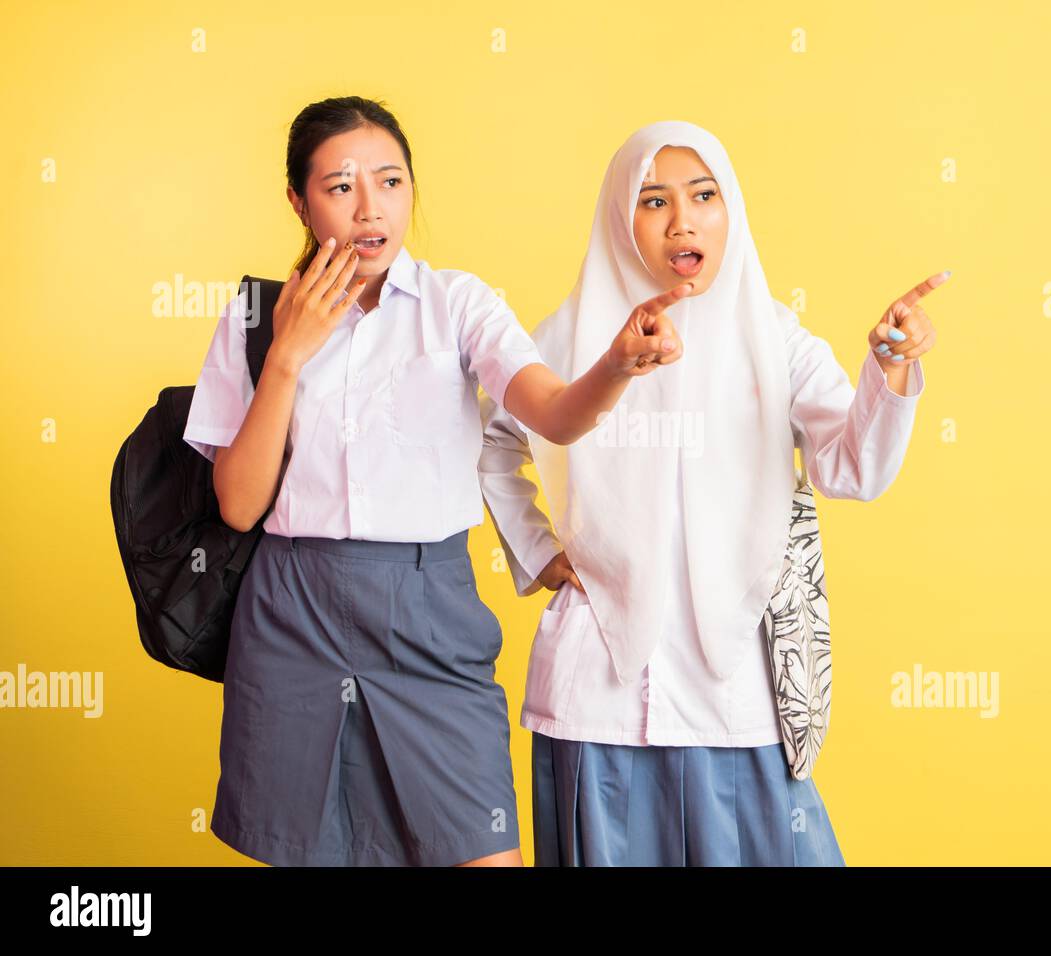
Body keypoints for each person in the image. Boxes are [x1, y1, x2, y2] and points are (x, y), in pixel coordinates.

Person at [181, 97, 684, 867]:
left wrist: (615, 366)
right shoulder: (255, 314)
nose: (370, 208)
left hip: (427, 605)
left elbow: (550, 413)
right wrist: (287, 355)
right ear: (298, 200)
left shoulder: (457, 305)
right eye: (340, 187)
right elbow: (240, 503)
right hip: (292, 612)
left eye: (390, 181)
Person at [478, 120, 944, 865]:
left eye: (703, 195)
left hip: (740, 691)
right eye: (652, 200)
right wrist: (538, 552)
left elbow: (852, 468)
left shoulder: (777, 341)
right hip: (597, 695)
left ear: (732, 210)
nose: (682, 220)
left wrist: (887, 371)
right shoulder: (570, 336)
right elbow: (491, 443)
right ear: (618, 217)